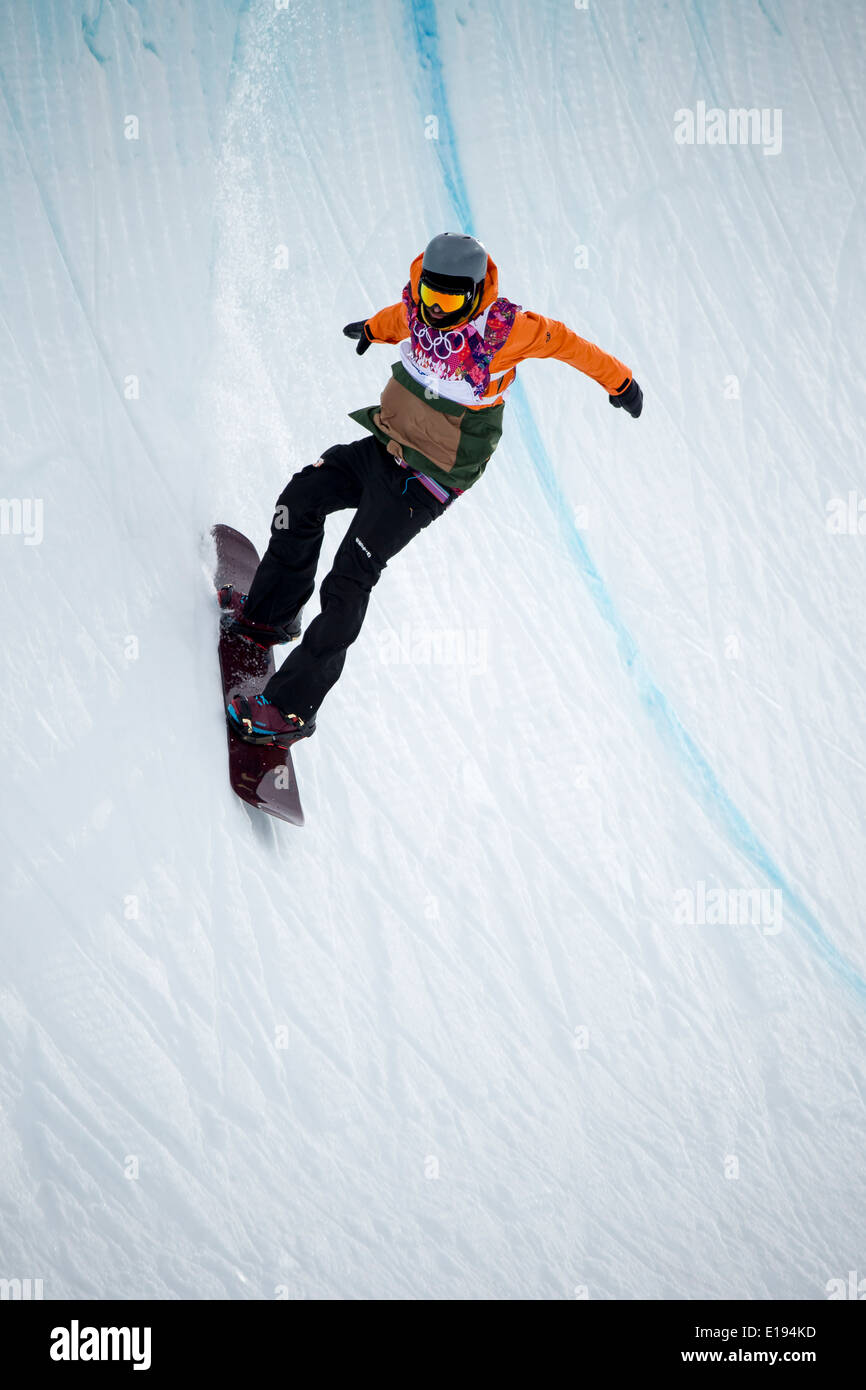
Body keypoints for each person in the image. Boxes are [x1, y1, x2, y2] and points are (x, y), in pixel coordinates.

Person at [224, 232, 642, 747]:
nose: (435, 309)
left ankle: (290, 710)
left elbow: (572, 346)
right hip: (388, 442)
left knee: (350, 579)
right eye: (429, 295)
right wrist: (373, 329)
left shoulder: (509, 332)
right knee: (300, 500)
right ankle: (271, 614)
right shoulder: (417, 309)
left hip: (427, 478)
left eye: (448, 300)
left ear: (472, 295)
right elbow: (399, 319)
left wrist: (619, 382)